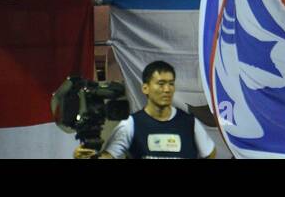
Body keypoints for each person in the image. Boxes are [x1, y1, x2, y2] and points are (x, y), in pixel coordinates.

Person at [78, 60, 216, 159]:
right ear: (145, 88)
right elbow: (108, 156)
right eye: (161, 84)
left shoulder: (189, 123)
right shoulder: (130, 125)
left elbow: (210, 153)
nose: (167, 89)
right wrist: (87, 155)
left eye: (171, 84)